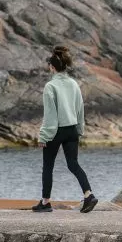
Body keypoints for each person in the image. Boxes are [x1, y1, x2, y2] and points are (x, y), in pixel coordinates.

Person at [32, 45, 97, 213]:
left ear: (52, 67)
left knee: (48, 166)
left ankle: (45, 203)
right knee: (73, 164)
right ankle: (89, 194)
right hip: (72, 129)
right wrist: (79, 129)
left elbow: (50, 115)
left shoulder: (50, 86)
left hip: (56, 131)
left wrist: (43, 136)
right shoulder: (74, 84)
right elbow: (79, 108)